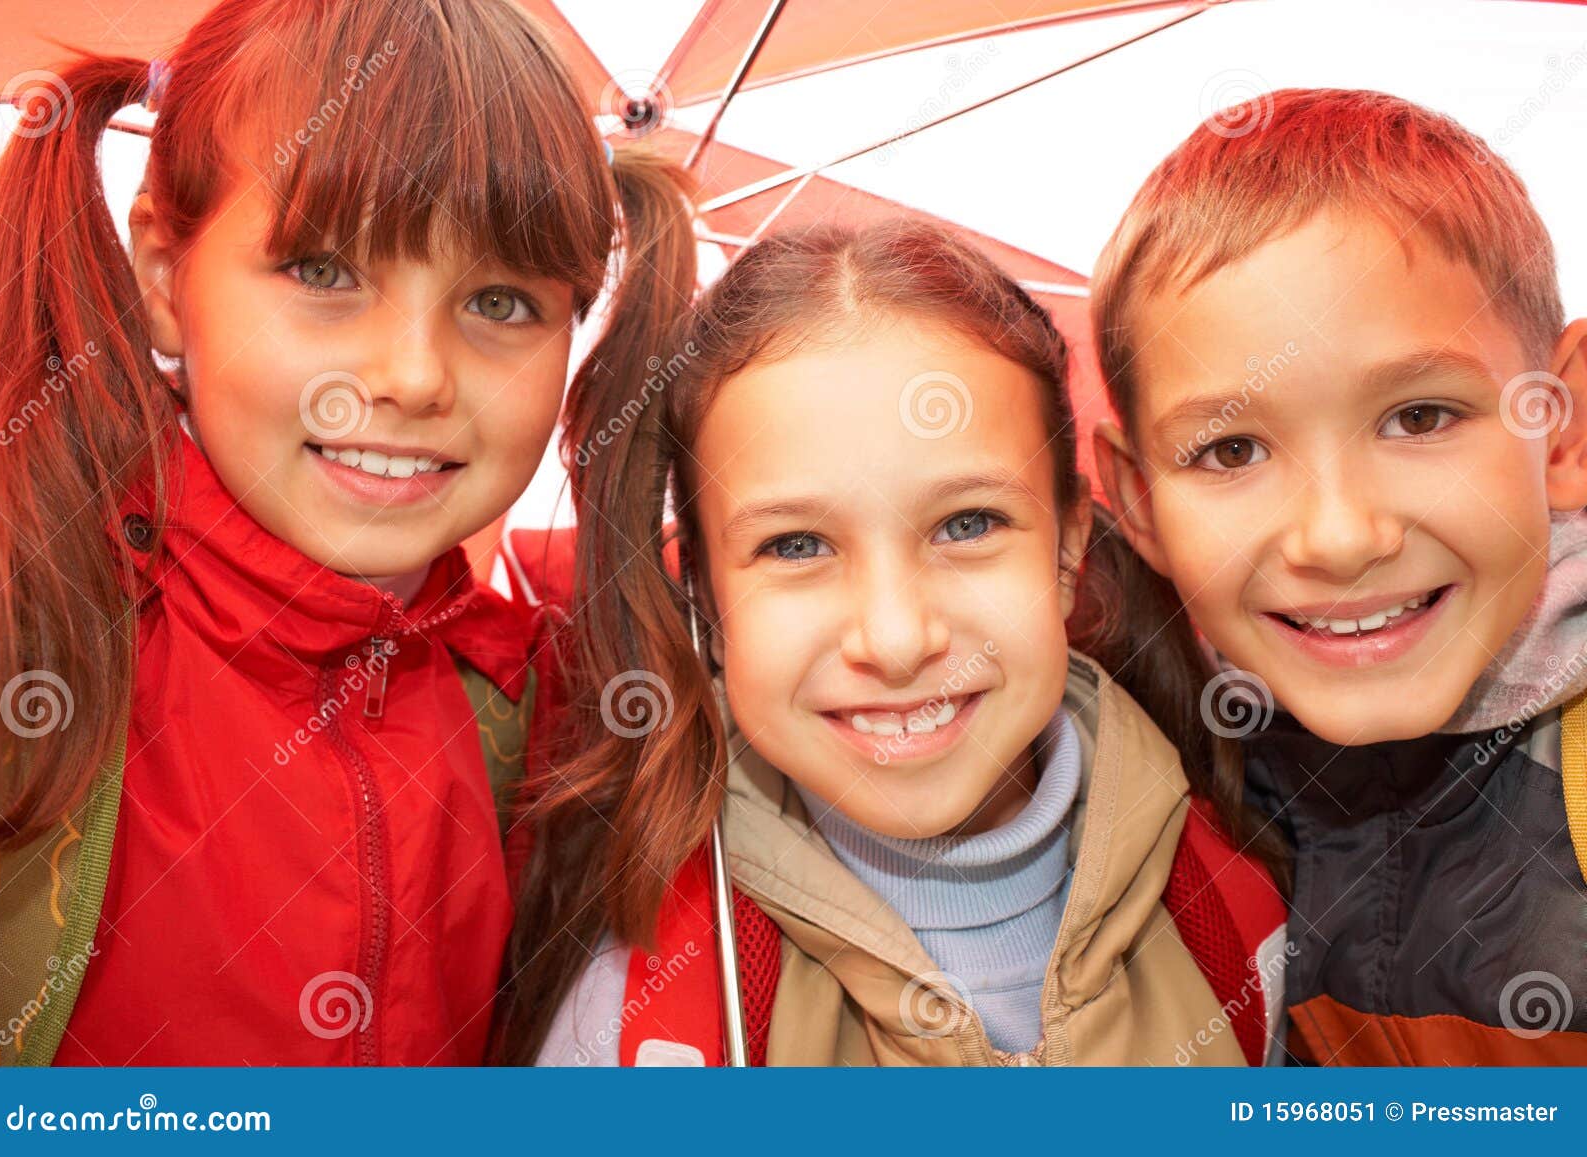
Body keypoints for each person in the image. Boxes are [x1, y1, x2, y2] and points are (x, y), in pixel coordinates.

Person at [0, 0, 693, 1065]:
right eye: (324, 272)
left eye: (501, 301)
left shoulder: (540, 714)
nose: (413, 376)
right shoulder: (24, 631)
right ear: (165, 276)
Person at [507, 221, 1285, 1067]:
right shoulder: (647, 1030)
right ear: (705, 596)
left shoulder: (1242, 914)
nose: (896, 637)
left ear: (1065, 553)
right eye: (797, 545)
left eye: (967, 523)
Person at [1090, 88, 1587, 1063]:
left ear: (1561, 424)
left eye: (1419, 418)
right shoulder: (1152, 753)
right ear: (1137, 503)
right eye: (1231, 450)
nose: (1338, 536)